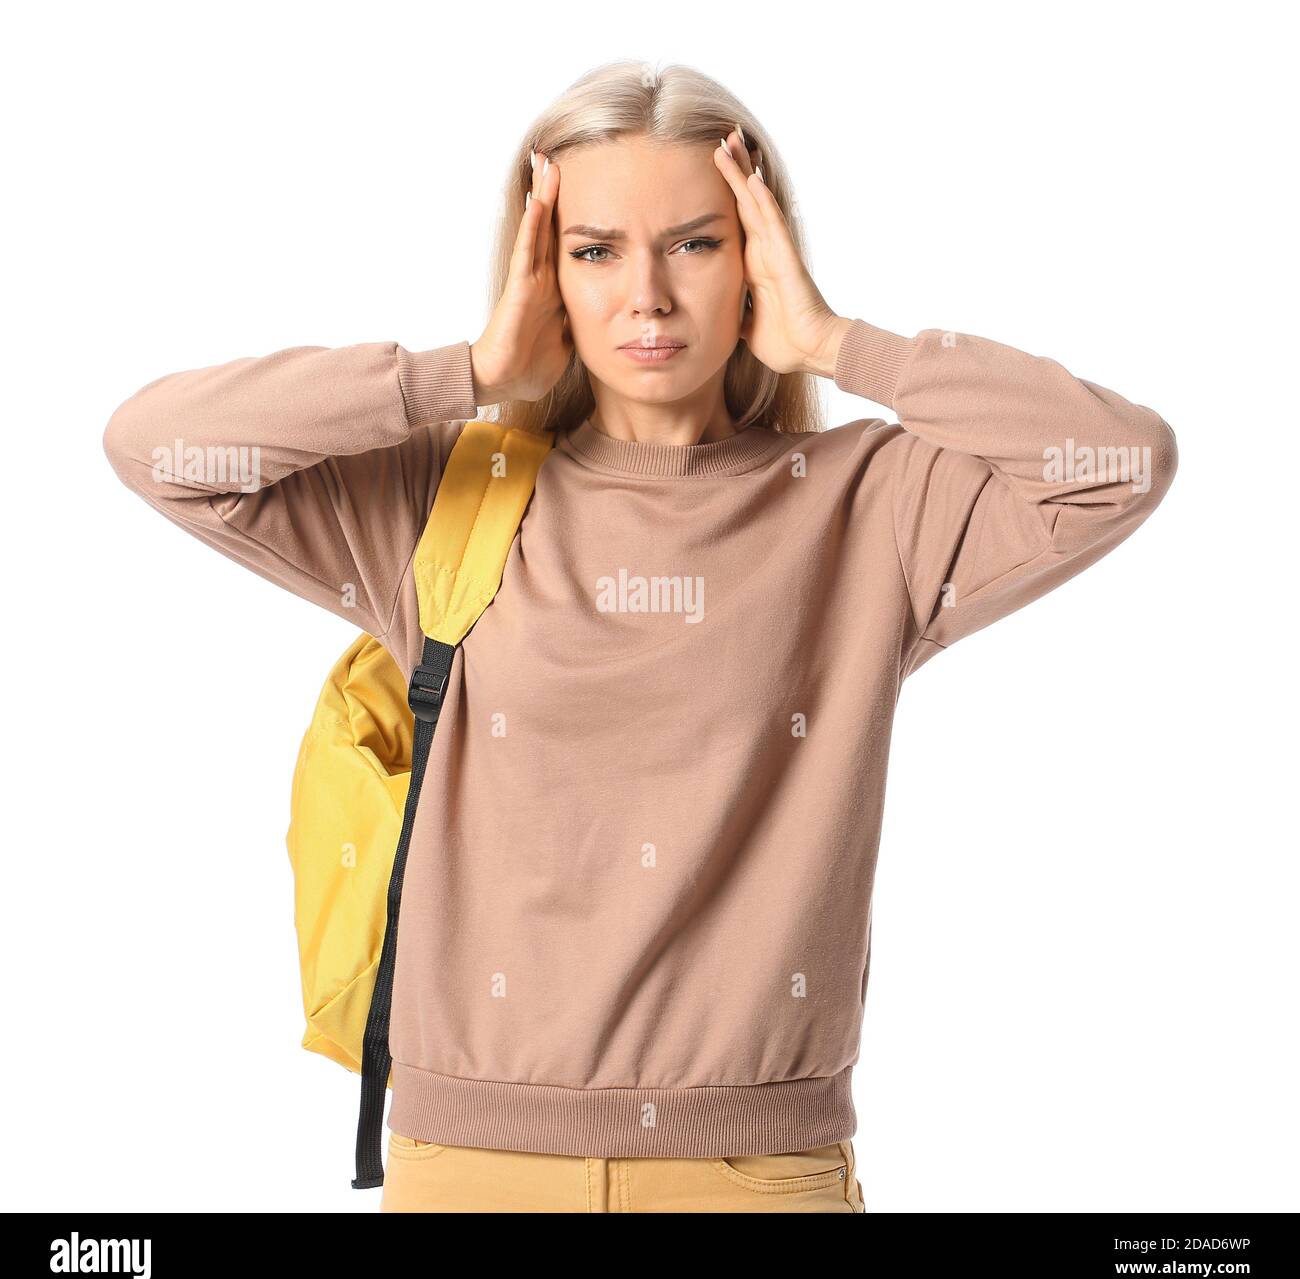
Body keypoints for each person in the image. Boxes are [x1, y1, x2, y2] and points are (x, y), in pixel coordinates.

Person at [102, 60, 1177, 1213]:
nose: (647, 296)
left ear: (759, 257)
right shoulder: (450, 501)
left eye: (696, 244)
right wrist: (461, 373)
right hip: (473, 1168)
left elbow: (1119, 463)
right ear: (543, 269)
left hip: (753, 1171)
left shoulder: (864, 503)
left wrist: (840, 342)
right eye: (596, 249)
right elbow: (155, 446)